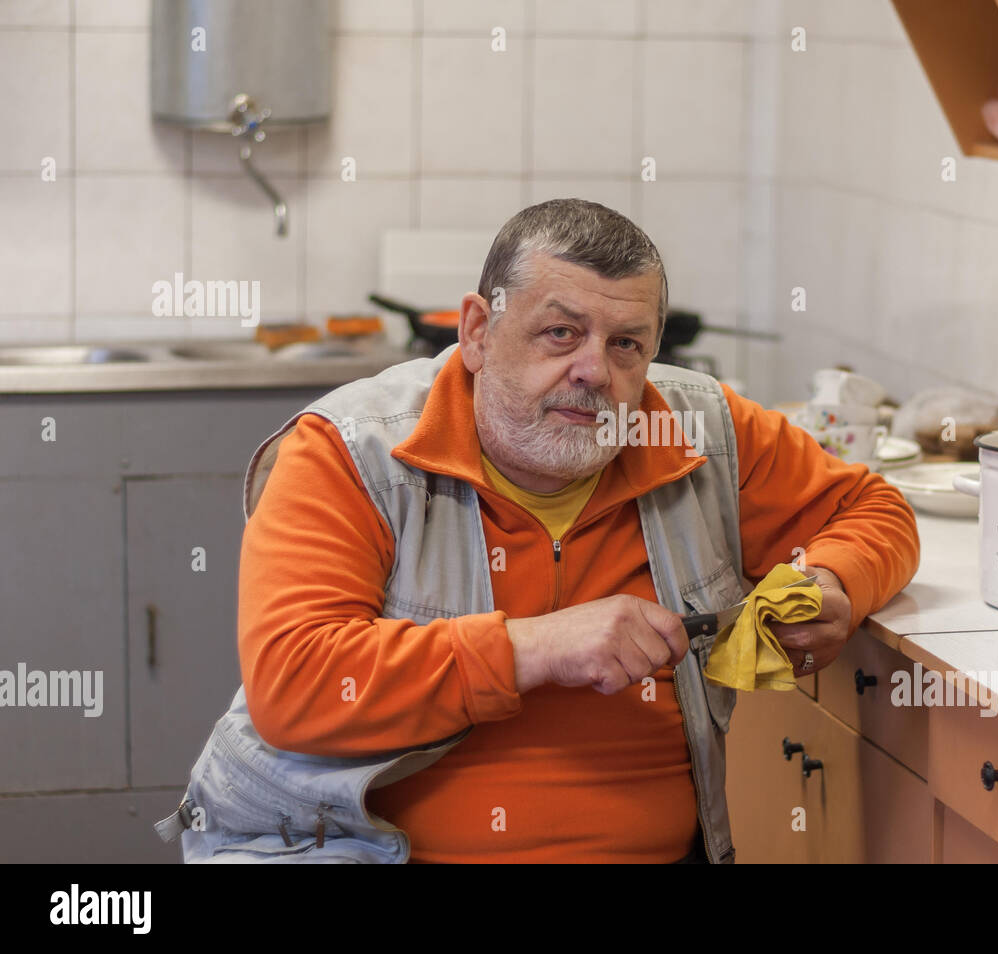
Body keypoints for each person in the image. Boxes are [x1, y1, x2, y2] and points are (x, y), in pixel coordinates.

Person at [233, 198, 920, 863]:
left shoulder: (701, 432)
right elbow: (294, 683)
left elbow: (875, 512)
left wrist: (832, 584)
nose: (596, 372)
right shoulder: (349, 450)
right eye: (560, 333)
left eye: (627, 344)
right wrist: (536, 647)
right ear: (476, 331)